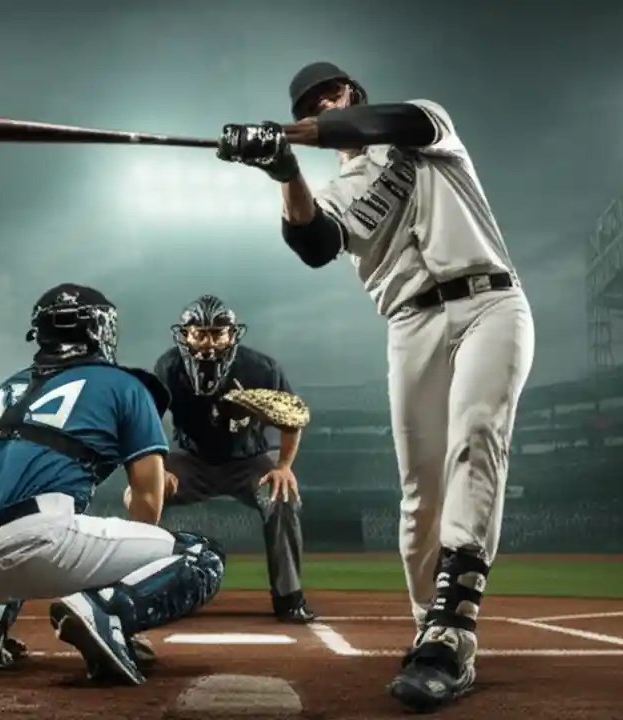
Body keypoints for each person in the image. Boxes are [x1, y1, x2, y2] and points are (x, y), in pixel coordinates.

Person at [215, 62, 535, 712]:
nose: (328, 104)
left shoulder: (422, 122)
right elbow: (313, 240)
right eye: (314, 102)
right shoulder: (337, 187)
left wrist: (291, 130)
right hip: (409, 323)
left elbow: (392, 121)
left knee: (475, 440)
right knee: (421, 494)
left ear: (352, 94)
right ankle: (431, 627)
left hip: (488, 302)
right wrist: (283, 170)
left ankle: (452, 632)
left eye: (331, 95)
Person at [0, 283, 226, 686]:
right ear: (99, 330)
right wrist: (125, 579)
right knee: (202, 555)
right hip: (35, 542)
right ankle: (109, 614)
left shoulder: (2, 391)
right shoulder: (126, 385)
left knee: (28, 520)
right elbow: (147, 494)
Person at [122, 294, 316, 623]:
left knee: (282, 496)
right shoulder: (168, 366)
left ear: (232, 334)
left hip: (248, 461)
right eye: (200, 333)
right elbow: (148, 424)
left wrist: (283, 467)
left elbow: (293, 418)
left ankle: (289, 597)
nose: (209, 343)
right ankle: (134, 590)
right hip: (190, 460)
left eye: (217, 333)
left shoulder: (261, 368)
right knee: (136, 494)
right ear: (185, 334)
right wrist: (157, 470)